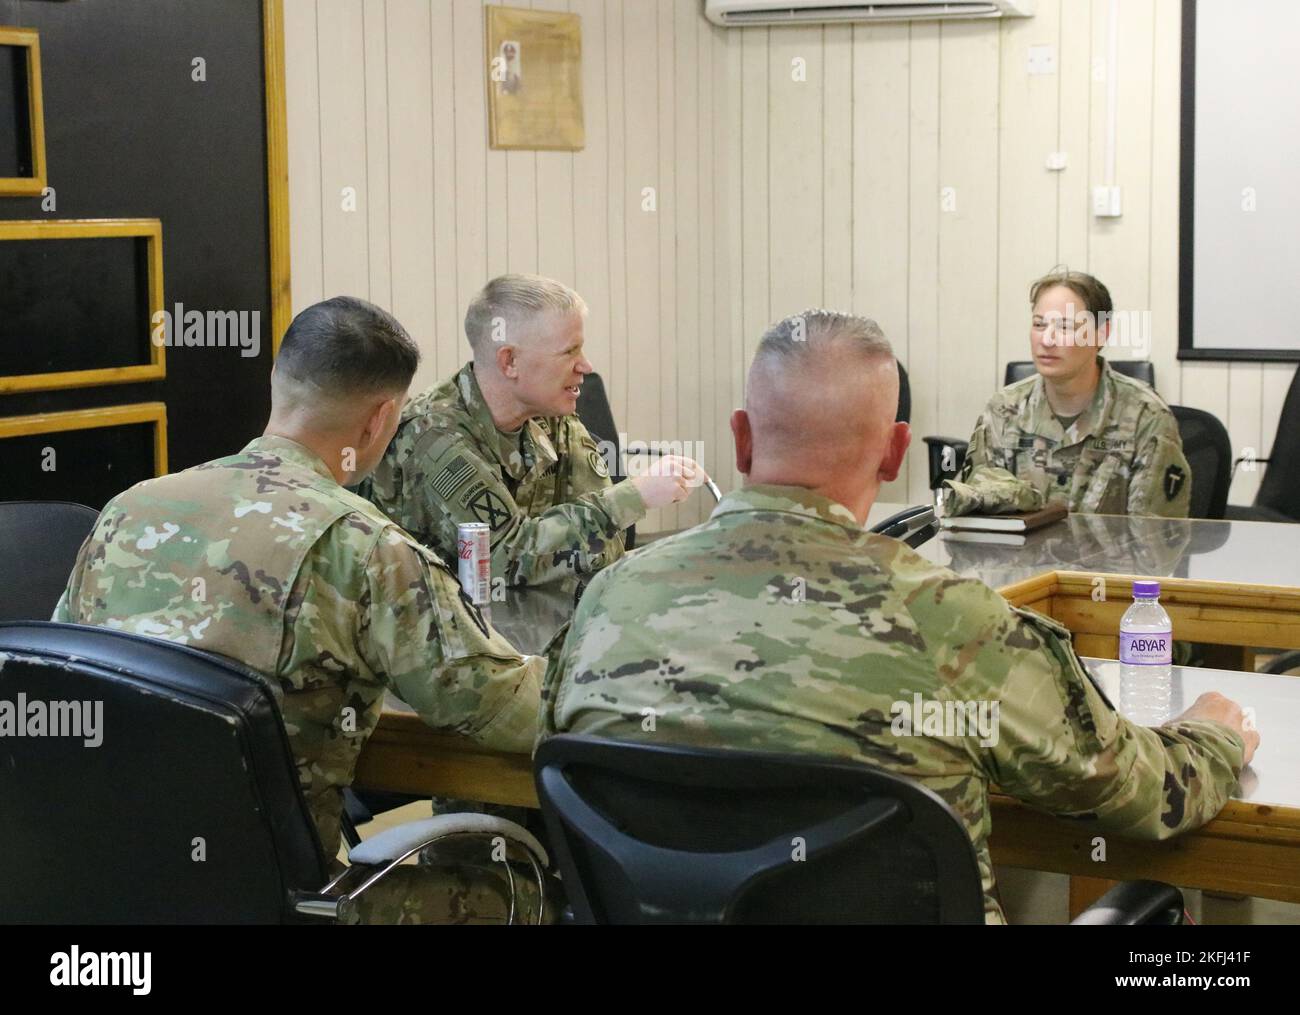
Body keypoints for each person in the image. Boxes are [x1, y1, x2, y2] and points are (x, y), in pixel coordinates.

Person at [542, 309, 1255, 924]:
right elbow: (1134, 791)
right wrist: (1214, 736)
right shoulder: (955, 620)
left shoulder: (610, 598)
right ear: (894, 451)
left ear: (741, 438)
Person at [54, 296, 546, 924]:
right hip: (280, 899)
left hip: (105, 880)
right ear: (380, 421)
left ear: (276, 383)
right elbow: (508, 709)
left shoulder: (130, 509)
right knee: (529, 894)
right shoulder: (365, 548)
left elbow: (64, 664)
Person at [363, 274, 701, 587]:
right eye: (570, 351)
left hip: (538, 618)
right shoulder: (433, 435)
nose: (585, 366)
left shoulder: (551, 413)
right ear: (509, 361)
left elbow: (603, 543)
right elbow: (504, 560)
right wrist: (635, 496)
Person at [947, 268, 1192, 518]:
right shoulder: (1002, 409)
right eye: (1039, 324)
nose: (1047, 339)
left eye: (1065, 326)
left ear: (1101, 334)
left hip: (1108, 559)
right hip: (1018, 557)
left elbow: (1154, 541)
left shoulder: (1146, 418)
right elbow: (977, 519)